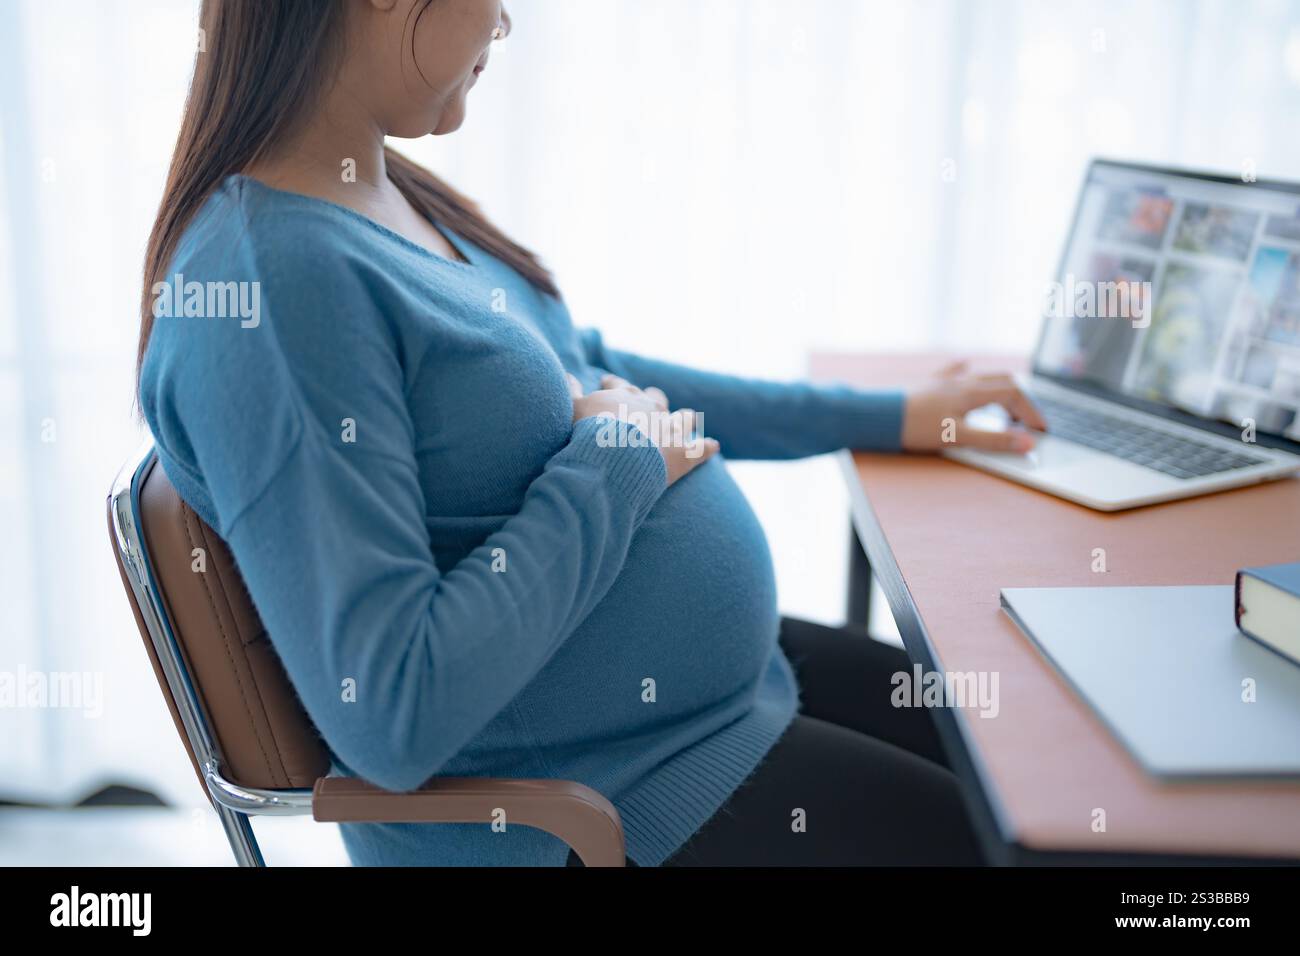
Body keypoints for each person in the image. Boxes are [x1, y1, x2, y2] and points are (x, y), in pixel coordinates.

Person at [137, 0, 1045, 867]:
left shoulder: (376, 189)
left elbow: (586, 368)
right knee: (1050, 844)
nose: (506, 19)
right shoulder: (276, 289)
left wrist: (888, 417)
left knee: (1016, 753)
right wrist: (620, 463)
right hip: (599, 812)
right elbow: (390, 717)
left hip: (701, 716)